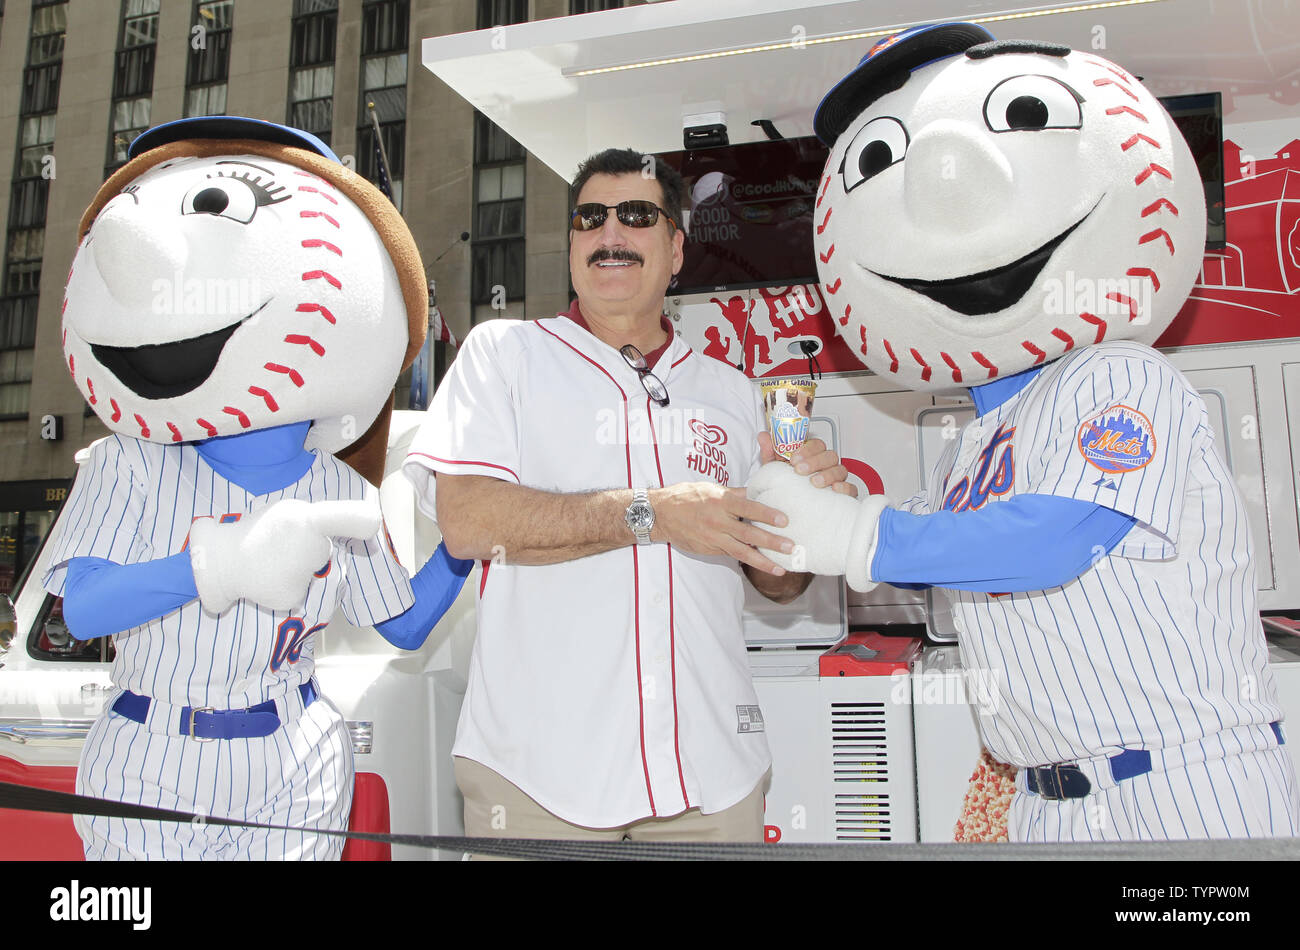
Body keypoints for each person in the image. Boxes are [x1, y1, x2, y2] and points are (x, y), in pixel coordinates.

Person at [45, 116, 472, 860]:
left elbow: (400, 625)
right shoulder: (132, 461)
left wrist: (468, 546)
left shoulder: (338, 482)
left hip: (296, 757)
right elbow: (84, 608)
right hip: (155, 753)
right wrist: (218, 565)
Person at [404, 148, 855, 845]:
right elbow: (467, 522)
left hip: (709, 781)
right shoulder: (505, 356)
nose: (610, 233)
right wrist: (654, 514)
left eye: (637, 215)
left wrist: (813, 509)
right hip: (538, 779)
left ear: (676, 250)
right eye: (591, 218)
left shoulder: (734, 393)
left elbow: (782, 583)